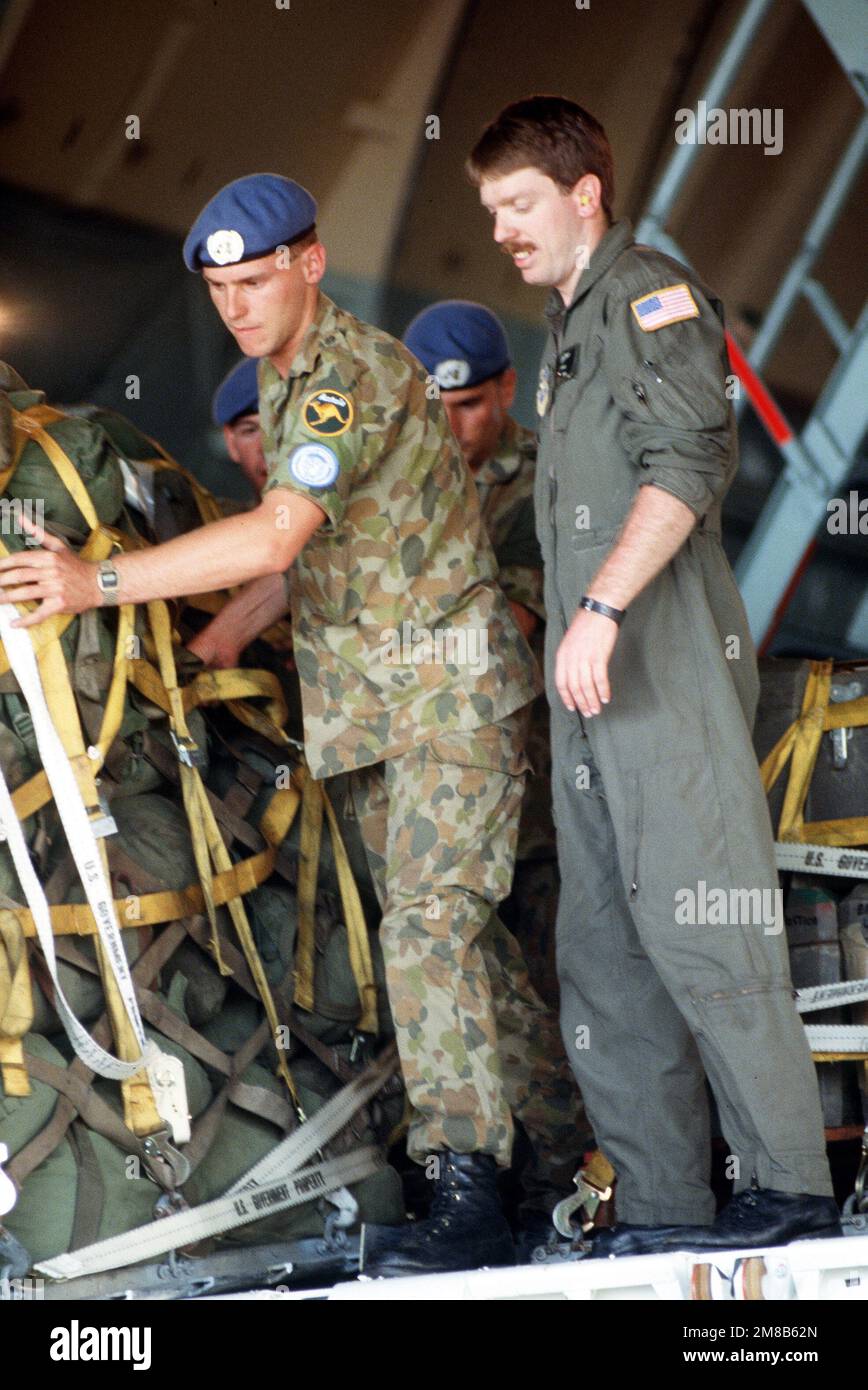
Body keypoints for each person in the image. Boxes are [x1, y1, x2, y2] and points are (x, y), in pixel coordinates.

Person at [0, 174, 579, 1276]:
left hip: (445, 704)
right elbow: (308, 559)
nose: (237, 306)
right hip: (372, 716)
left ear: (310, 263)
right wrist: (212, 649)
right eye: (217, 289)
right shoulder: (279, 380)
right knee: (475, 958)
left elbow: (273, 537)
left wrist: (97, 582)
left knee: (424, 935)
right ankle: (561, 1162)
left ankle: (468, 1188)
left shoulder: (340, 378)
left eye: (256, 281)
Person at [466, 96, 839, 1257]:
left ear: (585, 192)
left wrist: (600, 607)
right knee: (606, 950)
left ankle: (790, 1184)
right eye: (489, 212)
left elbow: (692, 458)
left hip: (657, 666)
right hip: (591, 689)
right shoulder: (569, 324)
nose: (502, 231)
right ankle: (667, 1200)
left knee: (703, 919)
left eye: (519, 204)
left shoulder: (647, 296)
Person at [403, 301, 560, 1007]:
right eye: (436, 406)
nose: (453, 428)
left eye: (469, 405)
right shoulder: (399, 484)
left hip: (531, 799)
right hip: (422, 792)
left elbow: (509, 629)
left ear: (507, 387)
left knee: (544, 987)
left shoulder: (545, 484)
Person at [212, 355, 268, 496]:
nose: (267, 447)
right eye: (250, 430)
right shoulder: (212, 516)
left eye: (283, 427)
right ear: (231, 443)